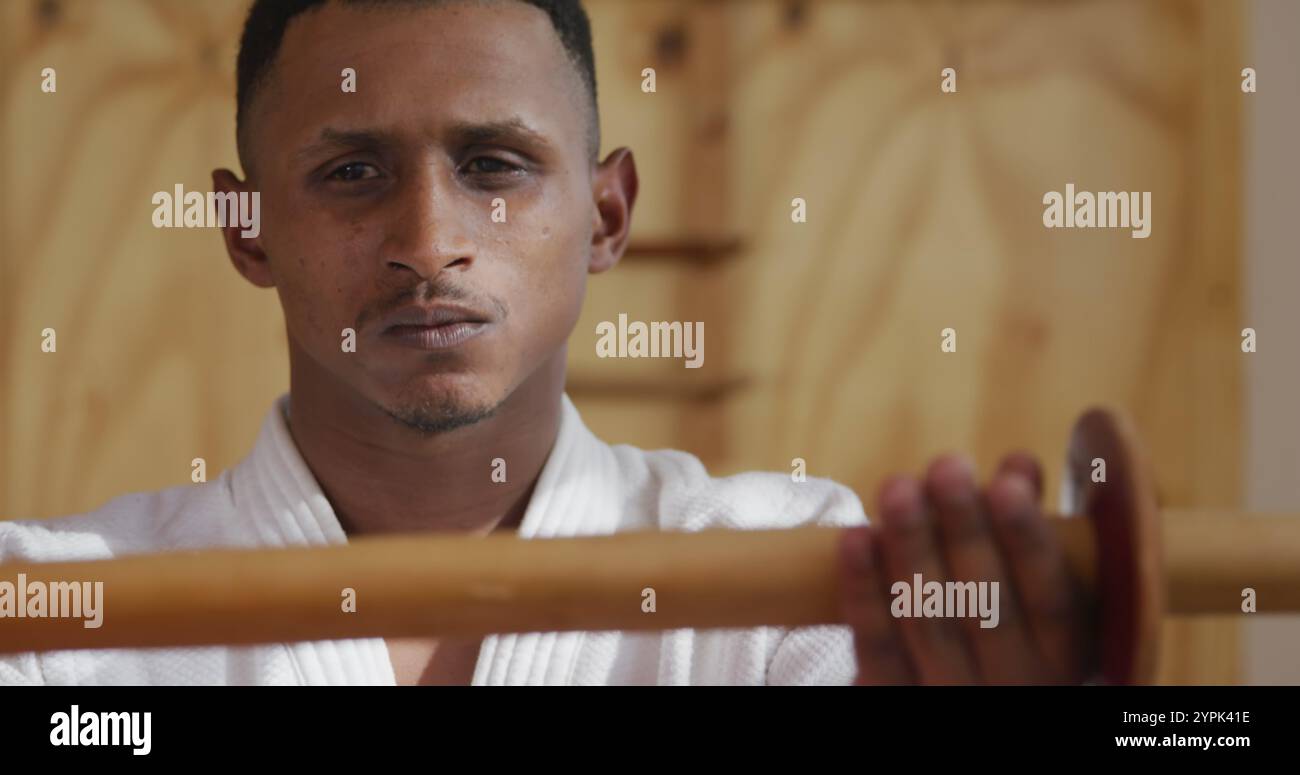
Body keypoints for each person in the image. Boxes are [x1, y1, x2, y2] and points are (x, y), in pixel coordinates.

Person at [0, 0, 1094, 685]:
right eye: (351, 173)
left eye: (493, 164)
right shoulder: (57, 611)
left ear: (607, 216)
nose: (429, 245)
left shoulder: (793, 578)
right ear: (246, 230)